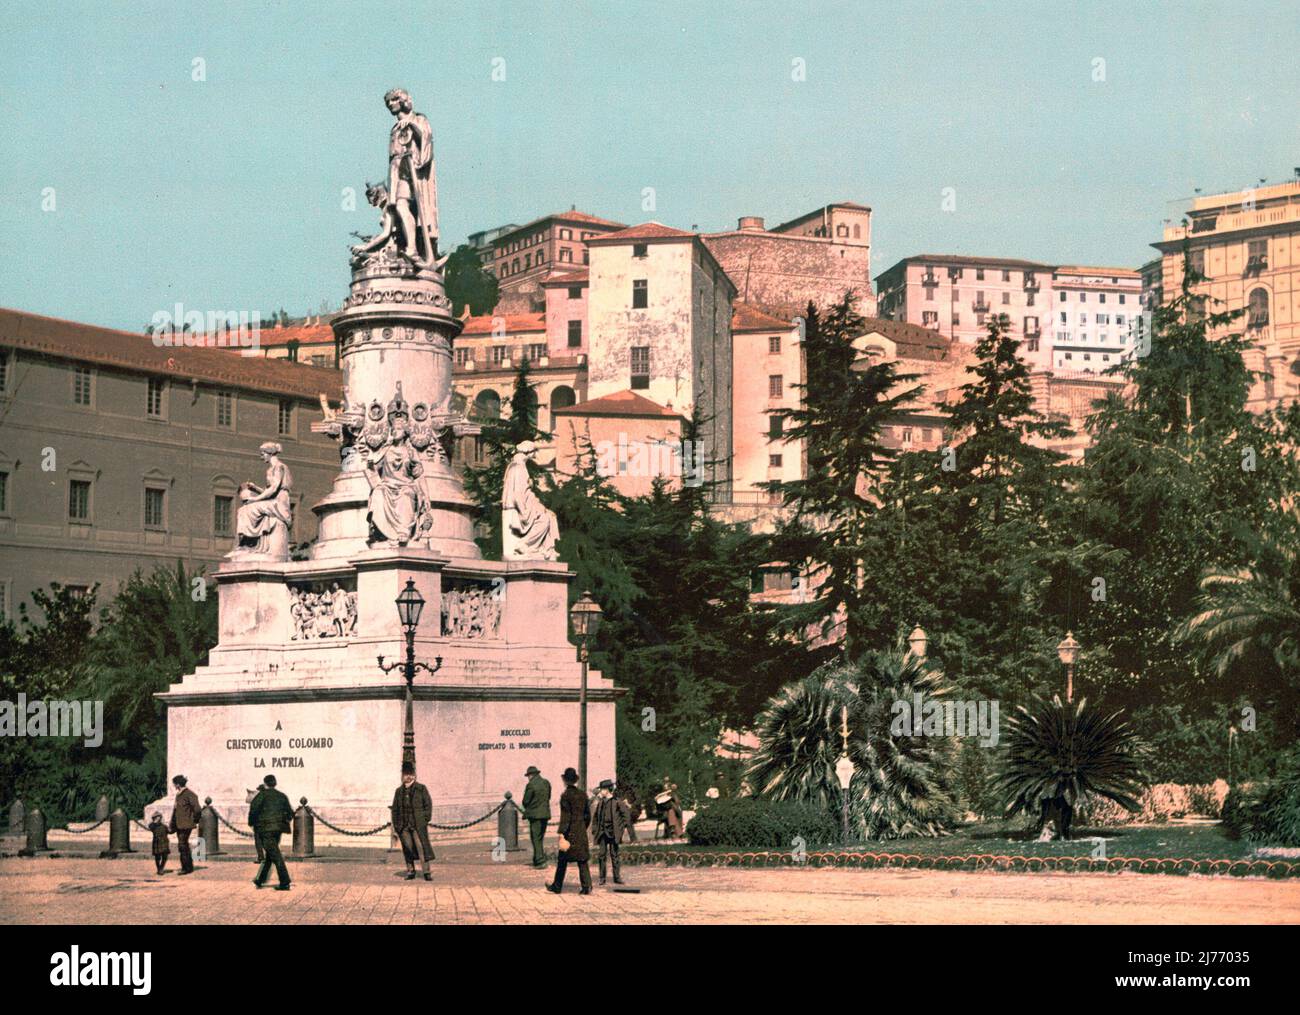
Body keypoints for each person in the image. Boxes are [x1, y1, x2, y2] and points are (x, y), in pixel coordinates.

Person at [546, 768, 590, 895]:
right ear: (575, 780)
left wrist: (561, 833)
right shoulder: (583, 795)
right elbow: (588, 816)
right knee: (582, 860)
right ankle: (586, 887)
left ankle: (557, 886)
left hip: (569, 833)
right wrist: (582, 827)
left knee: (562, 860)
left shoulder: (565, 796)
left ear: (565, 781)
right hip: (581, 832)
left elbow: (566, 817)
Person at [248, 774, 294, 891]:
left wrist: (251, 823)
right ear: (275, 783)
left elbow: (253, 810)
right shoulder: (282, 796)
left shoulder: (261, 795)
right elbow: (290, 813)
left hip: (265, 829)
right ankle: (260, 879)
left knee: (275, 854)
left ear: (265, 783)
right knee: (270, 854)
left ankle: (285, 881)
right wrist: (282, 821)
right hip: (278, 829)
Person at [391, 761, 435, 880]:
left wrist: (425, 819)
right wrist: (397, 826)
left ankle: (426, 872)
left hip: (417, 825)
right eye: (406, 774)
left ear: (414, 775)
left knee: (421, 847)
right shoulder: (398, 791)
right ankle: (411, 871)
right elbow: (394, 809)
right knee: (407, 848)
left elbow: (428, 805)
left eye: (410, 773)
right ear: (402, 776)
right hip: (403, 826)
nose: (408, 776)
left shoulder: (421, 789)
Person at [590, 780, 630, 886]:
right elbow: (595, 818)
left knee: (614, 855)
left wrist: (621, 829)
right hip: (602, 833)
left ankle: (617, 877)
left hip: (613, 833)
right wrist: (595, 829)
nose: (601, 792)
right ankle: (602, 878)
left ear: (607, 790)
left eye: (602, 789)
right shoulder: (601, 803)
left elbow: (626, 816)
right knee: (601, 855)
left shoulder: (617, 802)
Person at [168, 775, 202, 875]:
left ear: (178, 784)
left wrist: (194, 820)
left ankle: (186, 868)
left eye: (174, 784)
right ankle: (188, 866)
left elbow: (197, 809)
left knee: (182, 845)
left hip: (186, 825)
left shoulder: (189, 794)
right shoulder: (179, 795)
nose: (174, 786)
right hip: (179, 824)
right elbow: (175, 810)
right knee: (183, 845)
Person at [521, 765, 552, 869]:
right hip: (545, 814)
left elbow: (525, 801)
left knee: (535, 838)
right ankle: (537, 858)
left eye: (528, 775)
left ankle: (539, 860)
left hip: (535, 815)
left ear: (531, 775)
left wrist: (530, 807)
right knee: (540, 837)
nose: (528, 778)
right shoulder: (546, 782)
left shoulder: (531, 785)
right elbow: (548, 797)